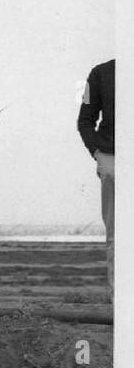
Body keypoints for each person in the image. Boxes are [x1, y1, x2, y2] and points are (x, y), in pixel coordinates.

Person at [77, 58, 114, 296]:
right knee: (117, 237)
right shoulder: (100, 73)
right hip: (113, 160)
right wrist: (99, 154)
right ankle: (120, 304)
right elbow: (85, 120)